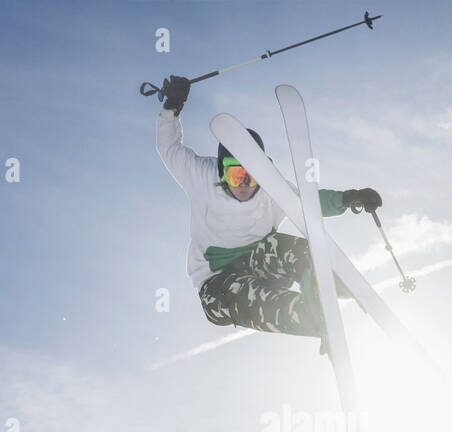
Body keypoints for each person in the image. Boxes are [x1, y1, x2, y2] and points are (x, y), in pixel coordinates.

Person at [155, 75, 382, 348]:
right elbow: (169, 149)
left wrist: (349, 198)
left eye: (251, 177)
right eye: (236, 174)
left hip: (261, 262)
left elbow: (309, 202)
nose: (243, 184)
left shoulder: (272, 188)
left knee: (301, 251)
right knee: (252, 298)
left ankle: (334, 287)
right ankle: (310, 318)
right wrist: (172, 107)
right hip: (217, 284)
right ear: (221, 171)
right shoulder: (201, 176)